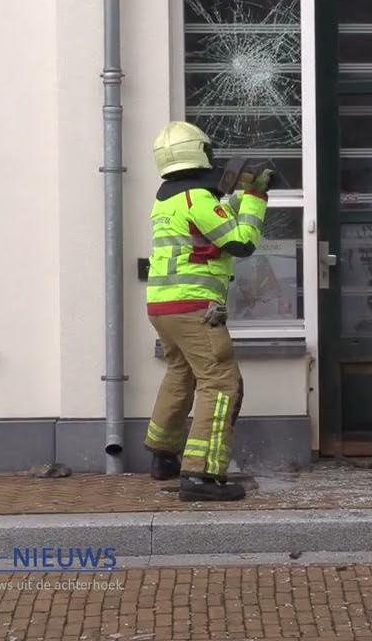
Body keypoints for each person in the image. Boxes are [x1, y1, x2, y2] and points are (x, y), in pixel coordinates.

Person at [142, 121, 271, 502]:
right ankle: (201, 475)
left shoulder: (168, 199)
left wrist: (234, 195)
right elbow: (241, 241)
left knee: (181, 373)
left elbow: (212, 223)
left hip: (164, 307)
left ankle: (163, 455)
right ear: (199, 153)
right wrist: (255, 196)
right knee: (221, 382)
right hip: (194, 306)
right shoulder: (196, 199)